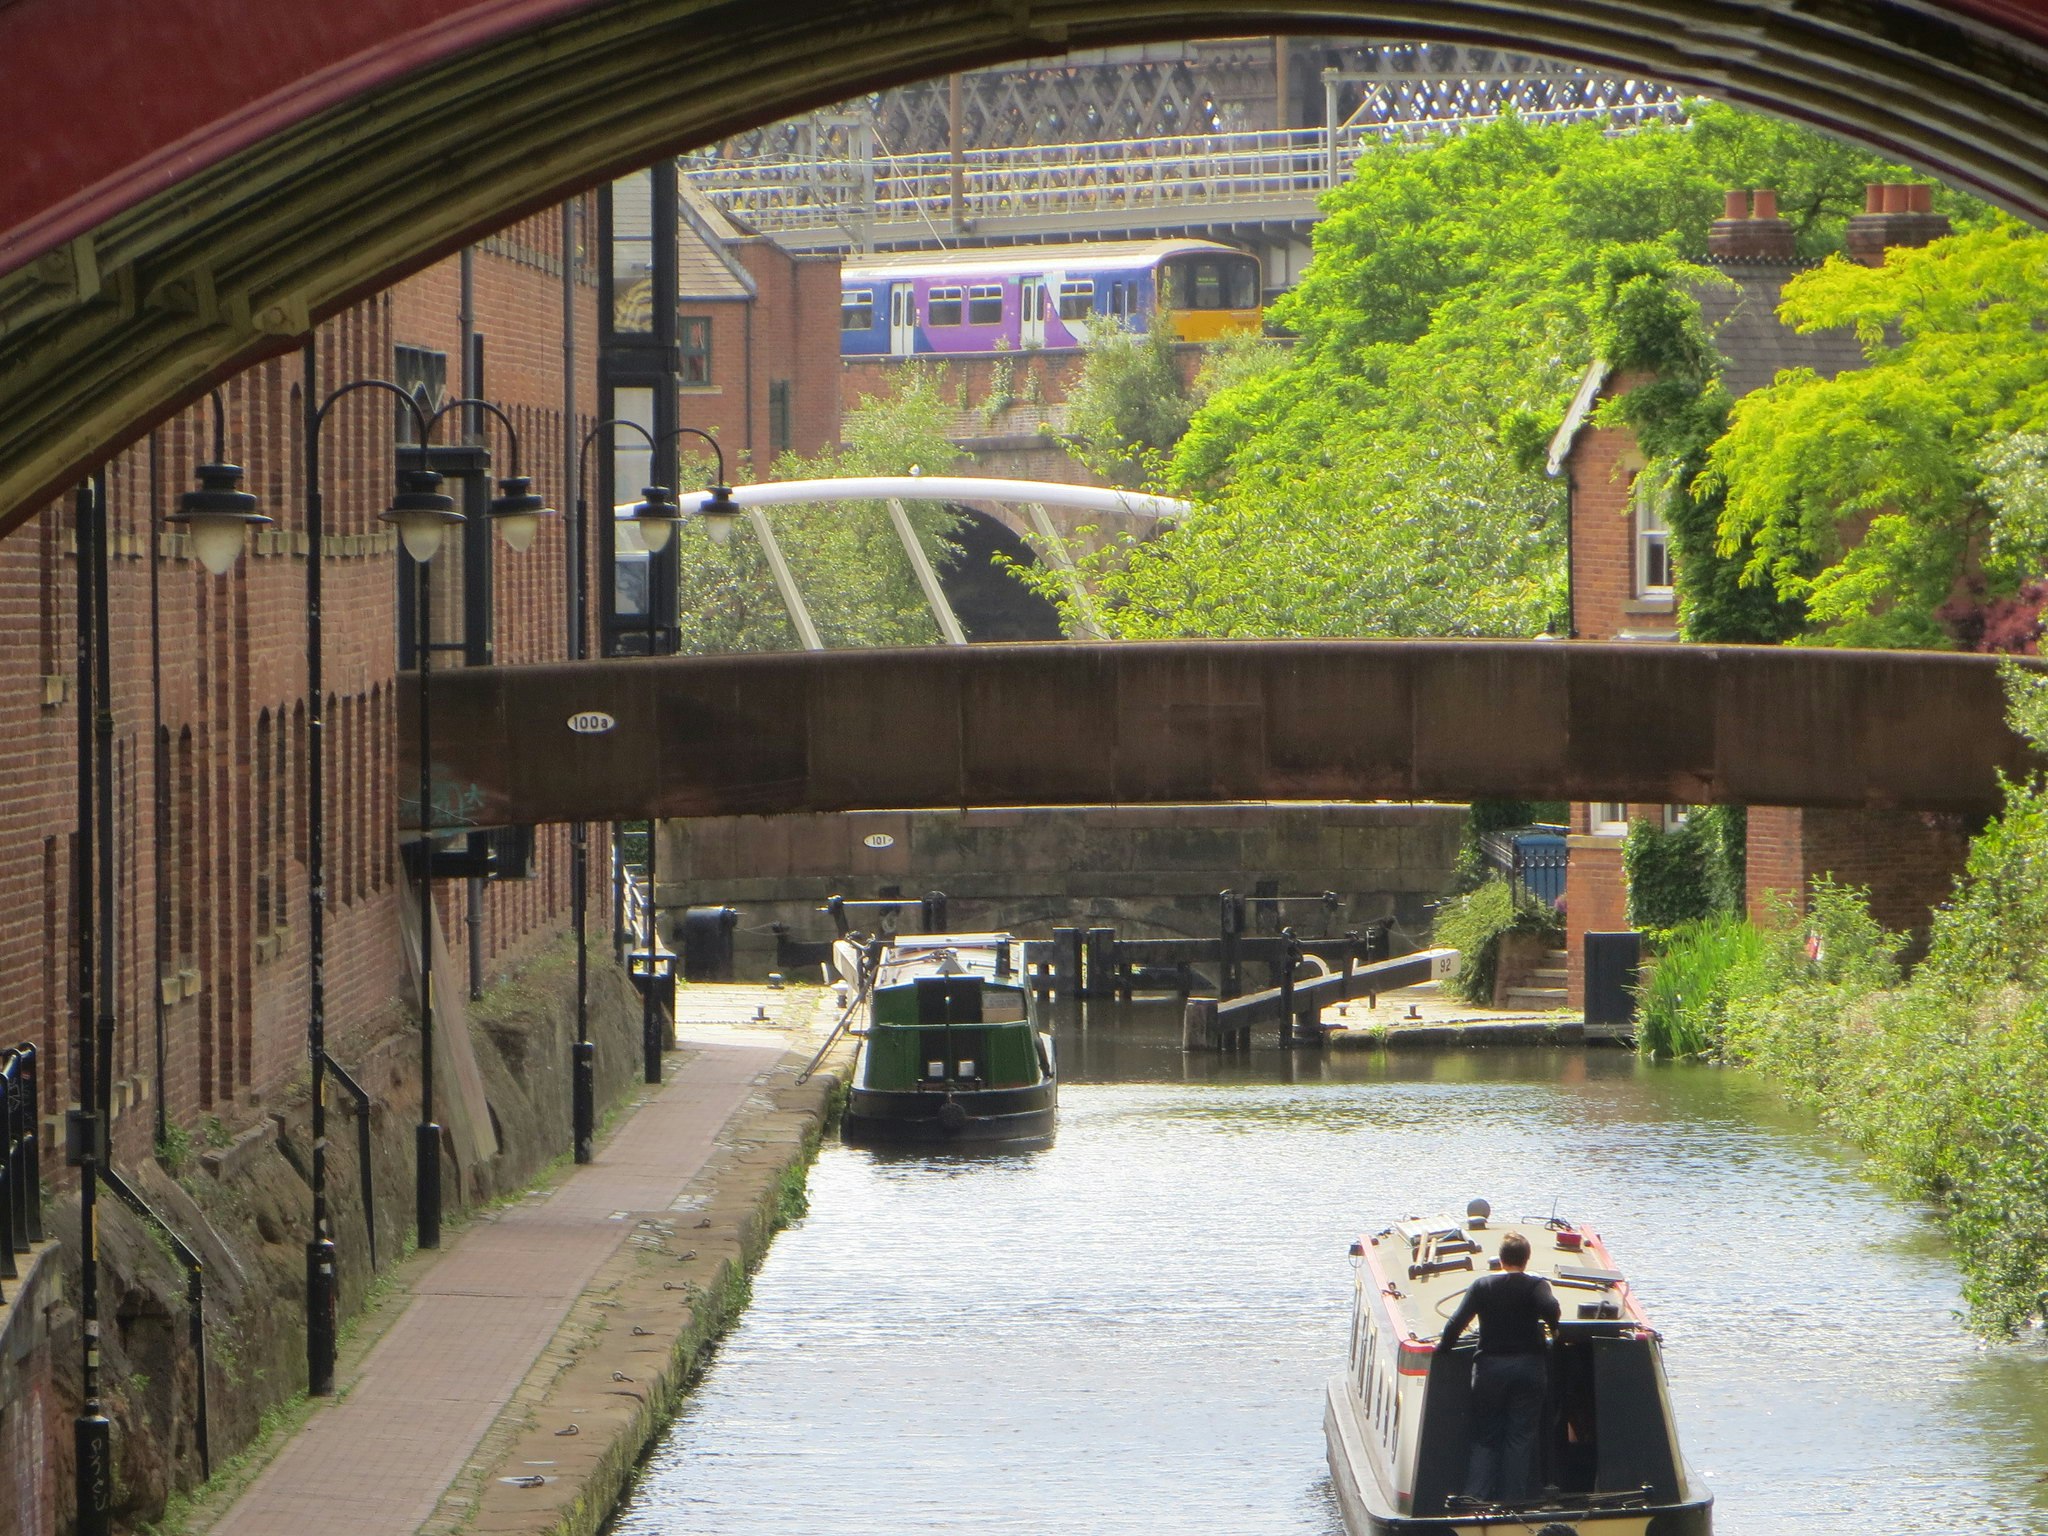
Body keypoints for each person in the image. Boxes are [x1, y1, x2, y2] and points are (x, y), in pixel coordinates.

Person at [1439, 1231, 1560, 1503]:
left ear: (1501, 1259)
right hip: (1529, 1369)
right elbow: (1551, 1307)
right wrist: (1553, 1328)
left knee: (1486, 1436)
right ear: (1526, 1259)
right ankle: (1513, 1501)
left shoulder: (1482, 1286)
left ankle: (1476, 1496)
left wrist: (1442, 1350)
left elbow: (1456, 1323)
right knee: (1519, 1437)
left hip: (1490, 1371)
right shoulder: (1536, 1286)